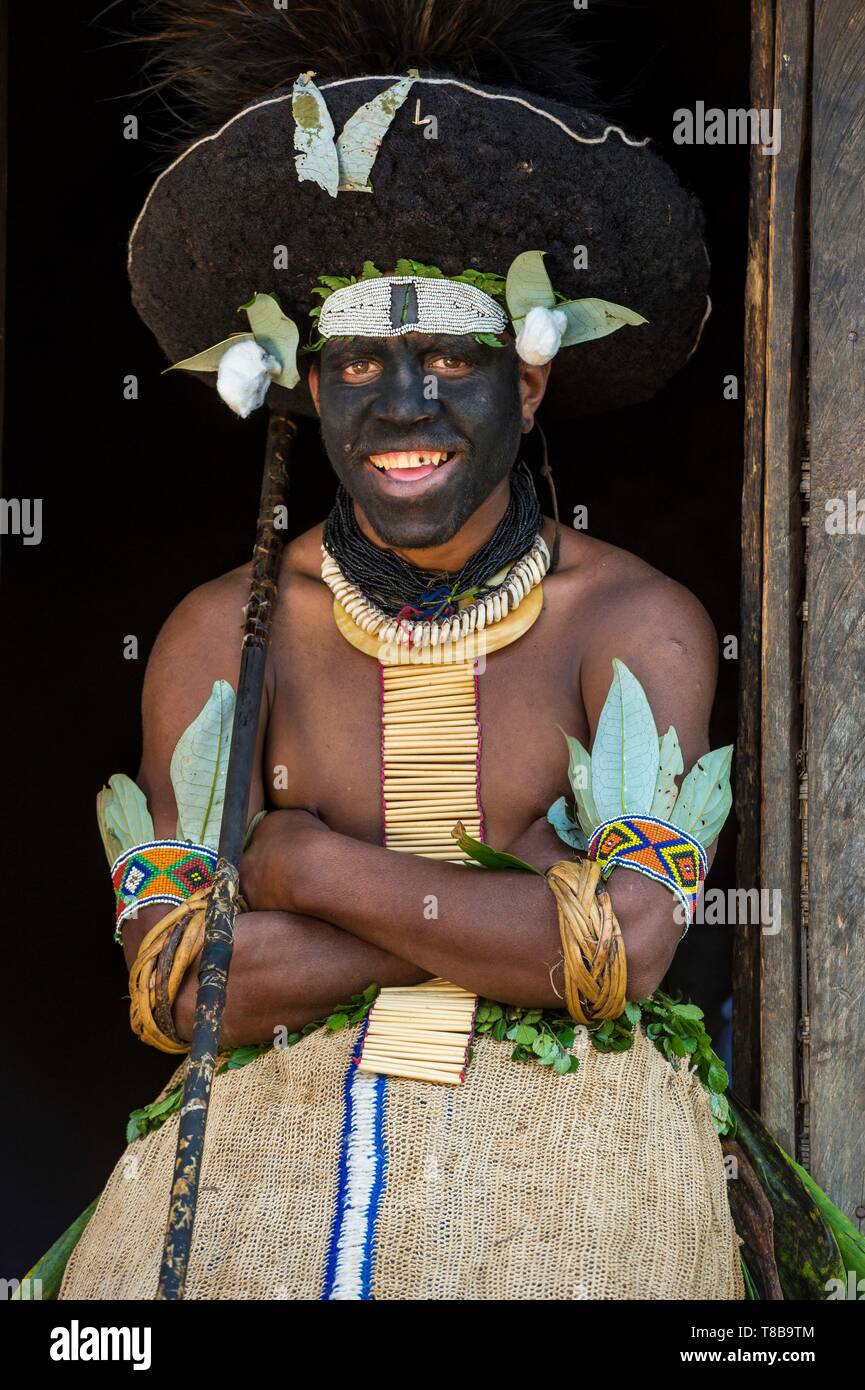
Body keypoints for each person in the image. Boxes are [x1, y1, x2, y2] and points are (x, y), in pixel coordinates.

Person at [55, 0, 746, 1299]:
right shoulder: (222, 634)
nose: (404, 403)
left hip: (575, 1165)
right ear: (310, 386)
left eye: (448, 356)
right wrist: (524, 924)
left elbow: (628, 954)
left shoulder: (629, 622)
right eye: (360, 360)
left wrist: (302, 864)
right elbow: (178, 987)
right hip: (270, 1157)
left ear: (526, 382)